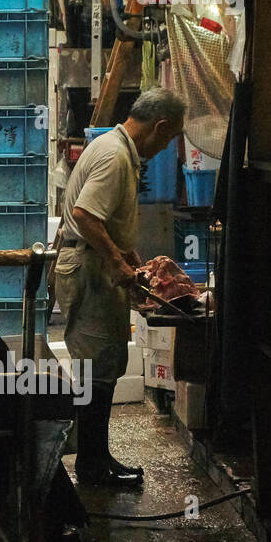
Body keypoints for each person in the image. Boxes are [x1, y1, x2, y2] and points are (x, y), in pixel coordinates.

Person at [55, 87, 186, 488]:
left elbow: (107, 219)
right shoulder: (114, 156)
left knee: (104, 367)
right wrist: (116, 262)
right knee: (95, 371)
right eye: (167, 139)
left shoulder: (115, 147)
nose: (164, 149)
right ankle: (92, 468)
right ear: (159, 126)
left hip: (96, 267)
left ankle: (98, 457)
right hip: (90, 270)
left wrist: (129, 257)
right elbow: (86, 215)